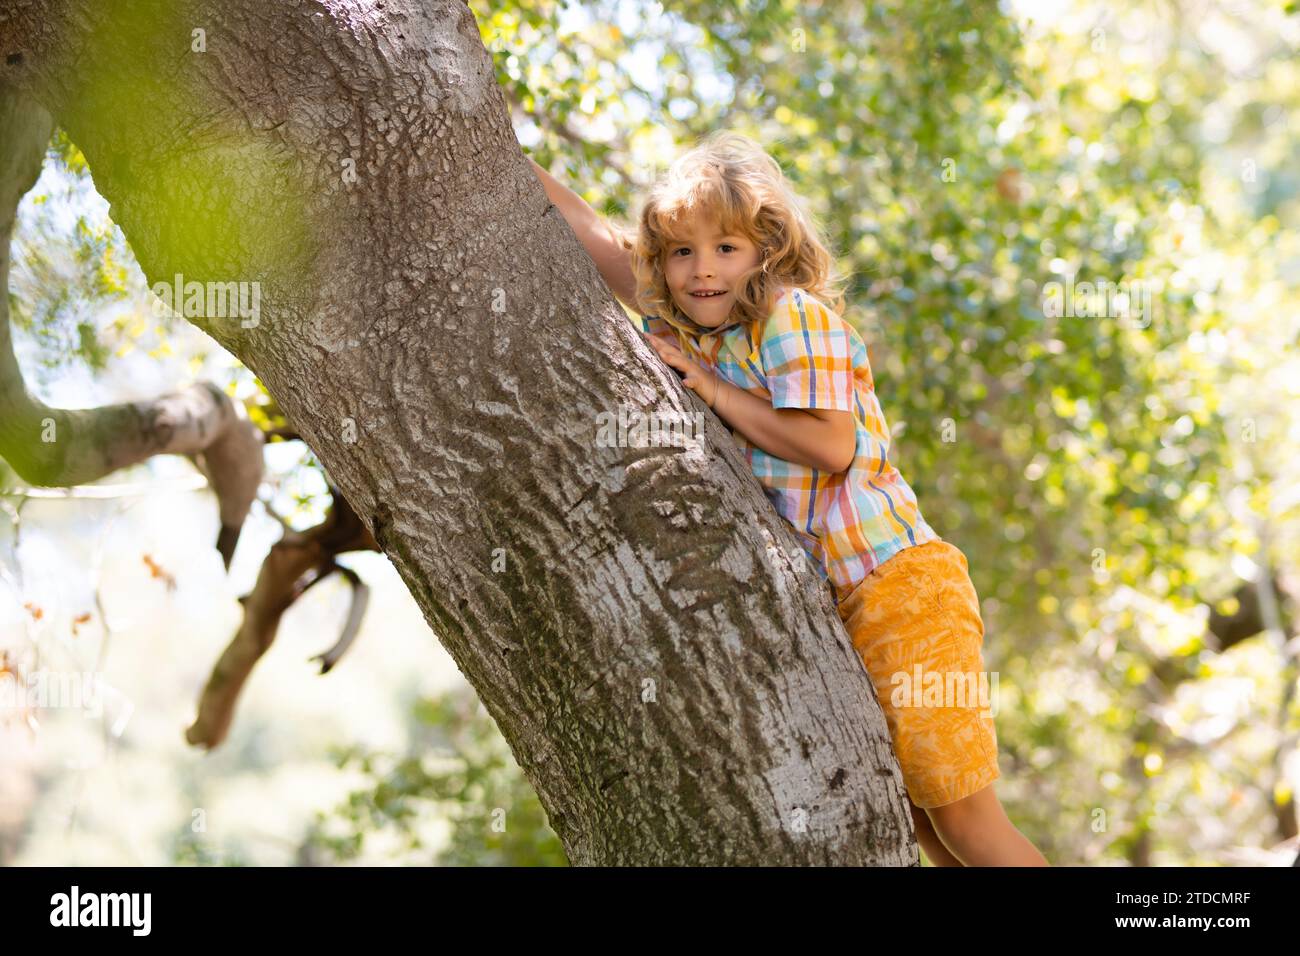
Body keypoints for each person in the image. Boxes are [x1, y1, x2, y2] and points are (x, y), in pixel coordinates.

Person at [529, 131, 1048, 866]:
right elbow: (601, 244)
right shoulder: (698, 324)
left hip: (900, 585)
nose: (701, 270)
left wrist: (710, 389)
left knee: (965, 822)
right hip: (843, 603)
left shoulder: (786, 314)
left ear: (764, 252)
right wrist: (497, 148)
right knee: (927, 830)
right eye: (682, 253)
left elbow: (832, 446)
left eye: (725, 249)